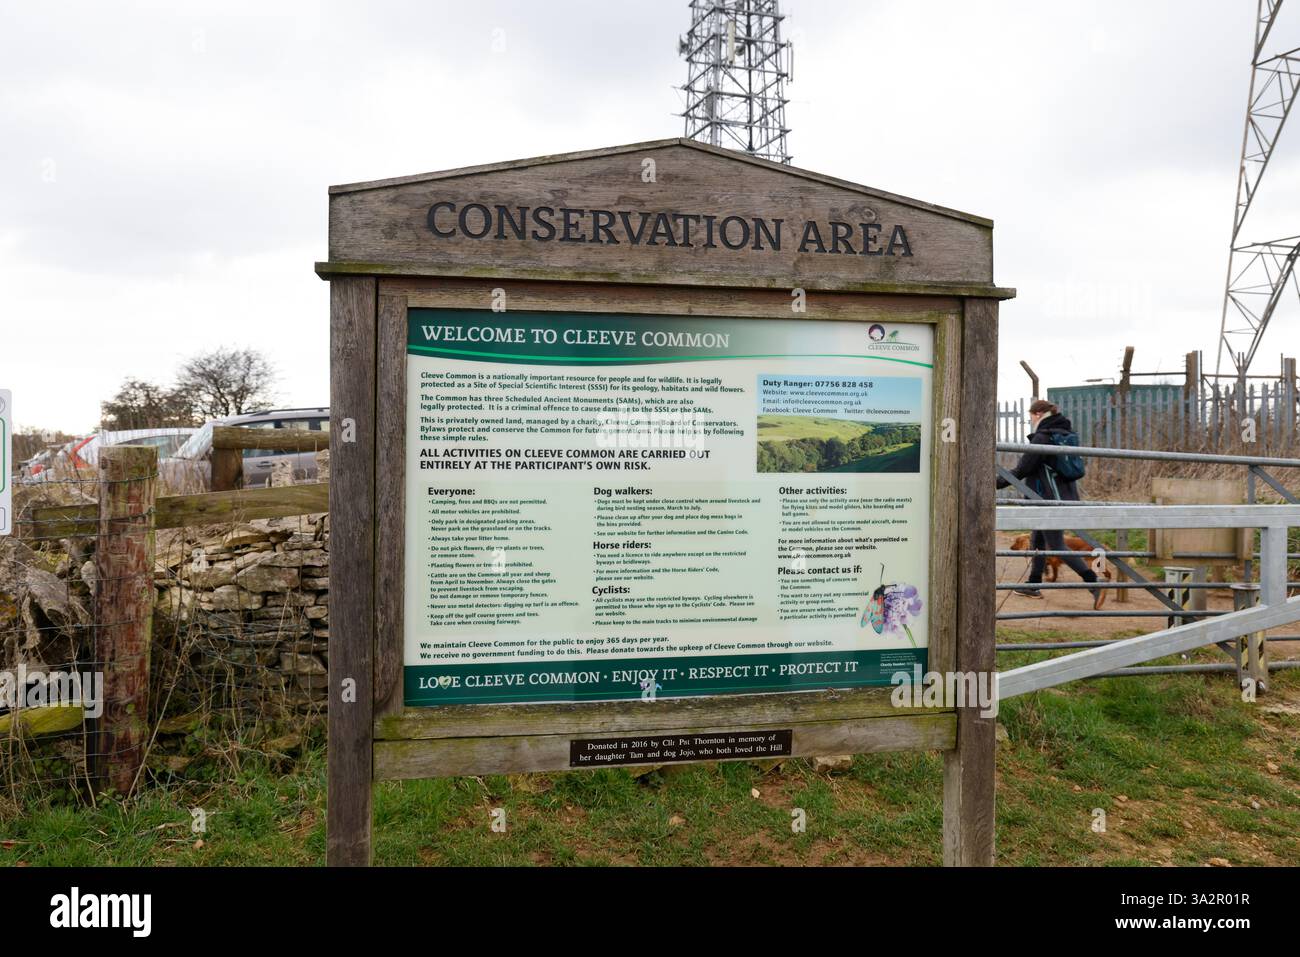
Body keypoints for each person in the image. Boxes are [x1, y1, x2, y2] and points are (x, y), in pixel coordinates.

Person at [997, 399, 1106, 609]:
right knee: (1038, 539)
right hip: (1062, 496)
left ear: (1037, 414)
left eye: (1030, 417)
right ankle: (1033, 583)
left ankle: (1094, 582)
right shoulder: (1065, 435)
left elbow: (1023, 469)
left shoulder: (1043, 437)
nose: (1030, 421)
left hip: (1046, 499)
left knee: (1056, 544)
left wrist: (995, 483)